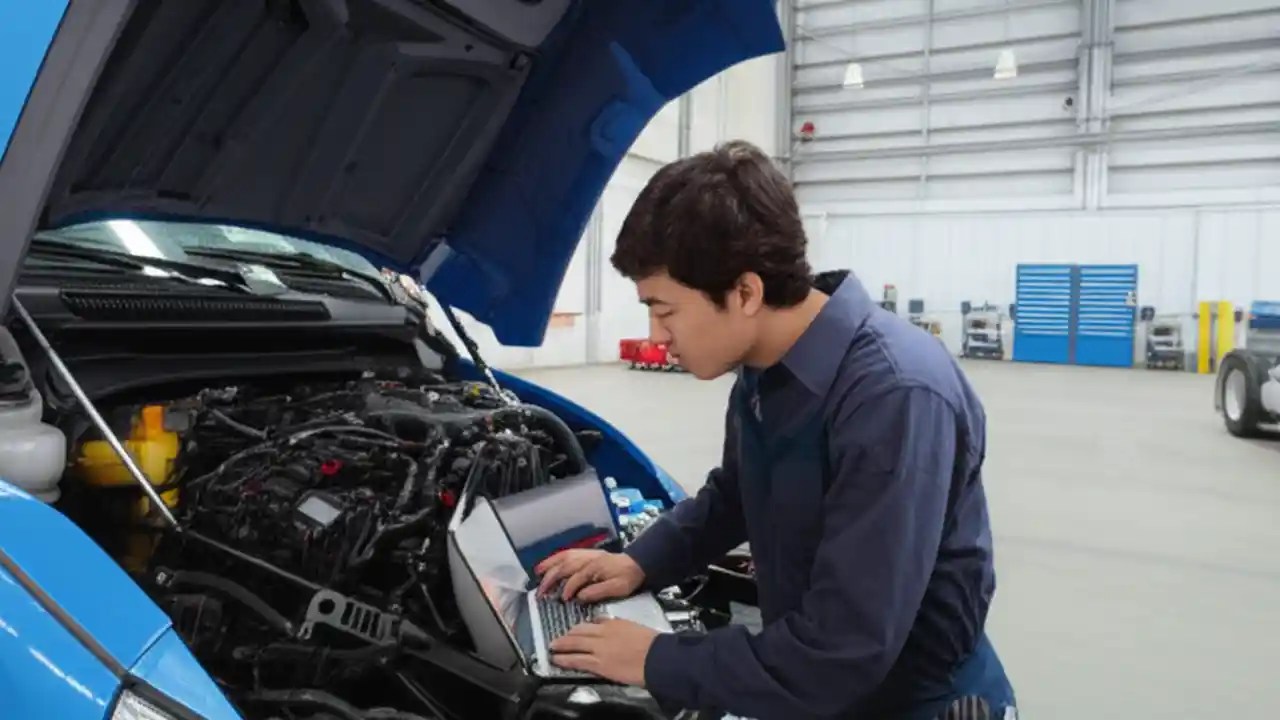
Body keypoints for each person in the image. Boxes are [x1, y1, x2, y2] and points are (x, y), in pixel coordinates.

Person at [534, 140, 1016, 720]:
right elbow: (738, 490)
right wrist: (643, 560)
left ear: (745, 292)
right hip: (825, 688)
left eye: (664, 310)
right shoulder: (765, 369)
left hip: (907, 700)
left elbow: (844, 648)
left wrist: (657, 660)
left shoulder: (894, 397)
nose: (657, 336)